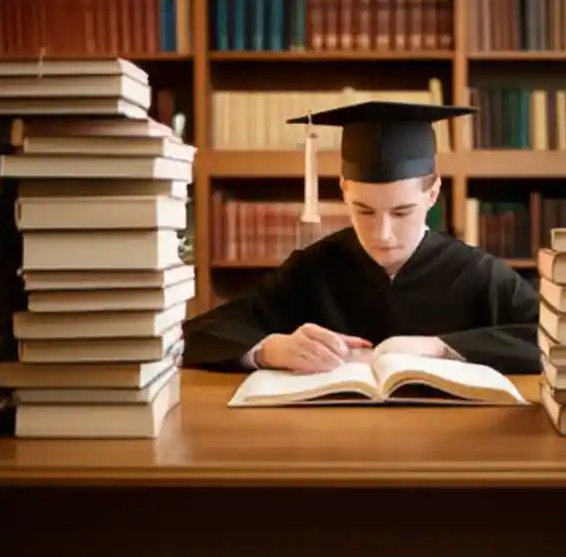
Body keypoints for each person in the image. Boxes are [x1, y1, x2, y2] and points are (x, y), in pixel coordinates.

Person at [181, 100, 541, 375]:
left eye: (401, 212)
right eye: (364, 210)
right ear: (343, 190)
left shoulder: (476, 272)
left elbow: (560, 341)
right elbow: (199, 335)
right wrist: (270, 349)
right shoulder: (313, 269)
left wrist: (439, 347)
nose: (382, 235)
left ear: (432, 194)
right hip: (329, 450)